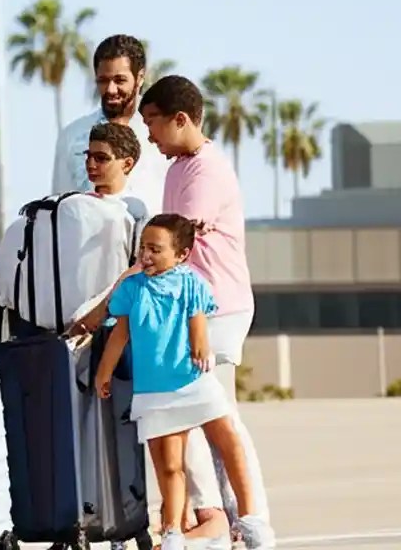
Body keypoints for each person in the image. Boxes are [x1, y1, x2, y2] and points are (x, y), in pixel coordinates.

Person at [138, 75, 272, 545]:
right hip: (188, 311)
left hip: (219, 308)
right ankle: (221, 522)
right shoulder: (177, 168)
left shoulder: (207, 171)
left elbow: (171, 249)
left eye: (153, 123)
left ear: (180, 119)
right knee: (191, 418)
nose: (149, 135)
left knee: (219, 419)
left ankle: (253, 521)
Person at [93, 214, 275, 550]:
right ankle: (173, 532)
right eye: (143, 248)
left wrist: (201, 344)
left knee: (230, 441)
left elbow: (197, 318)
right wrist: (104, 372)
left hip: (193, 381)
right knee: (170, 466)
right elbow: (120, 334)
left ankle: (252, 520)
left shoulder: (191, 283)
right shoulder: (132, 289)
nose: (146, 255)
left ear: (181, 255)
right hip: (154, 392)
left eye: (155, 249)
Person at [0, 122, 149, 334]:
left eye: (101, 158)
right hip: (49, 329)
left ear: (127, 164)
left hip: (109, 327)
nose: (91, 164)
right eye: (88, 156)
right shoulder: (67, 208)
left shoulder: (135, 211)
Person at [52, 34, 169, 216]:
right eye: (103, 80)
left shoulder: (164, 133)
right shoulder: (73, 136)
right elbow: (59, 208)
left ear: (140, 78)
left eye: (119, 80)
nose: (110, 89)